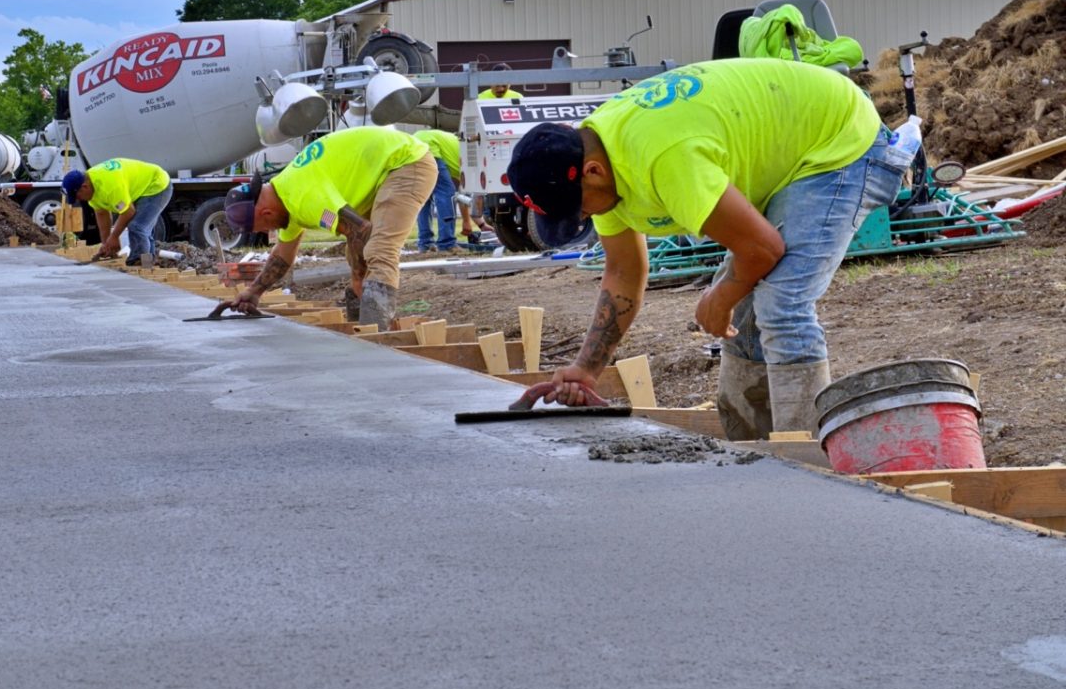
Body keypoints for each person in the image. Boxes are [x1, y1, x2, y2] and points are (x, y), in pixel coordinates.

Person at [504, 59, 909, 438]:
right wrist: (586, 369)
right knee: (747, 304)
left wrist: (721, 297)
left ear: (592, 172)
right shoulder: (600, 161)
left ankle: (804, 459)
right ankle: (752, 448)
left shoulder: (662, 157)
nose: (585, 217)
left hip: (836, 138)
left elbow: (763, 249)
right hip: (785, 141)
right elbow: (623, 273)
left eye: (580, 209)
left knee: (782, 302)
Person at [223, 126, 436, 330]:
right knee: (356, 255)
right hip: (381, 171)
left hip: (406, 163)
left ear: (266, 214)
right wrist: (254, 291)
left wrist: (358, 279)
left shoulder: (304, 198)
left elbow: (359, 230)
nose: (265, 232)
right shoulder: (284, 196)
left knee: (379, 250)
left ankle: (376, 338)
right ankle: (363, 326)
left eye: (261, 228)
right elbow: (282, 255)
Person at [62, 158, 174, 266]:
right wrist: (106, 244)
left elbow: (128, 212)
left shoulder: (110, 188)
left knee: (137, 226)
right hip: (140, 189)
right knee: (142, 229)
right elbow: (102, 215)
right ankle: (147, 263)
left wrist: (114, 237)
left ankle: (140, 262)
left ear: (84, 187)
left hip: (156, 185)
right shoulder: (92, 190)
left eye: (77, 196)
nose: (78, 200)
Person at [413, 128, 461, 252]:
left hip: (414, 145)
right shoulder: (470, 166)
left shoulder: (458, 152)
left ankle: (425, 243)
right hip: (430, 146)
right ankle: (447, 243)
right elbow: (462, 196)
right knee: (447, 195)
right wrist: (474, 223)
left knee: (424, 196)